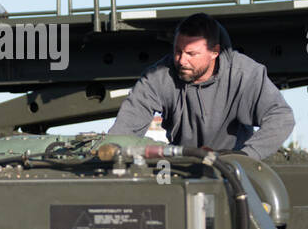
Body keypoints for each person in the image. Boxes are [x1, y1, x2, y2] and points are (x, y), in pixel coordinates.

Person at [108, 13, 295, 159]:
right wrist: (111, 150)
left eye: (191, 53)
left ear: (214, 52)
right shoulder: (158, 77)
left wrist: (247, 156)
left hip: (235, 166)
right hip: (181, 165)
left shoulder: (244, 73)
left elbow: (281, 117)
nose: (182, 60)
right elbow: (125, 128)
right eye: (178, 51)